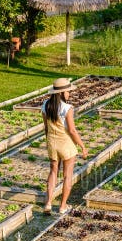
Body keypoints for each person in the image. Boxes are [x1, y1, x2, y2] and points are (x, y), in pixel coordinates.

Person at [41, 78, 88, 215]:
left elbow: (46, 128)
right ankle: (62, 206)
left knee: (53, 172)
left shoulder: (45, 105)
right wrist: (82, 146)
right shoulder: (67, 108)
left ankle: (48, 203)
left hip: (52, 142)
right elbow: (72, 131)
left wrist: (49, 142)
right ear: (61, 93)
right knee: (67, 176)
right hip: (65, 144)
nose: (69, 94)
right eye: (68, 91)